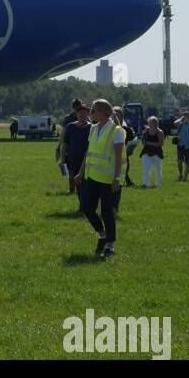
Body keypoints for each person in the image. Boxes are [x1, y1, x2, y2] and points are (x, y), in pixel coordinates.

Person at [72, 99, 123, 258]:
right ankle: (102, 235)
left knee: (107, 212)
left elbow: (119, 157)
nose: (90, 114)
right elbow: (89, 152)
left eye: (92, 111)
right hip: (92, 177)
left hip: (108, 179)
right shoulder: (93, 129)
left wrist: (116, 178)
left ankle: (110, 245)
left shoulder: (117, 131)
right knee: (86, 207)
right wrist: (81, 172)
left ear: (102, 112)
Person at [59, 104, 90, 198]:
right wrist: (62, 158)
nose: (82, 115)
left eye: (85, 113)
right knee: (71, 176)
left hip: (86, 159)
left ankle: (83, 194)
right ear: (76, 114)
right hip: (72, 158)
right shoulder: (70, 127)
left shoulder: (92, 127)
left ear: (88, 114)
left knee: (84, 180)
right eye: (80, 113)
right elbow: (65, 143)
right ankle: (72, 191)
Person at [139, 116, 165, 188]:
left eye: (153, 122)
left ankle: (158, 184)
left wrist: (150, 143)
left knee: (158, 169)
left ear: (156, 123)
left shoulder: (160, 132)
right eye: (150, 122)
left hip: (157, 152)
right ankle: (145, 184)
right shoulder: (146, 131)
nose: (151, 124)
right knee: (146, 168)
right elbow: (143, 142)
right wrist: (143, 136)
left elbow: (161, 143)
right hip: (146, 151)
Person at [173, 113, 189, 182]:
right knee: (180, 162)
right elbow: (174, 123)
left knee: (187, 163)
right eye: (185, 116)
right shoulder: (180, 124)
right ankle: (181, 174)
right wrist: (181, 118)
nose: (186, 118)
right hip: (181, 145)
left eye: (188, 116)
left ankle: (185, 178)